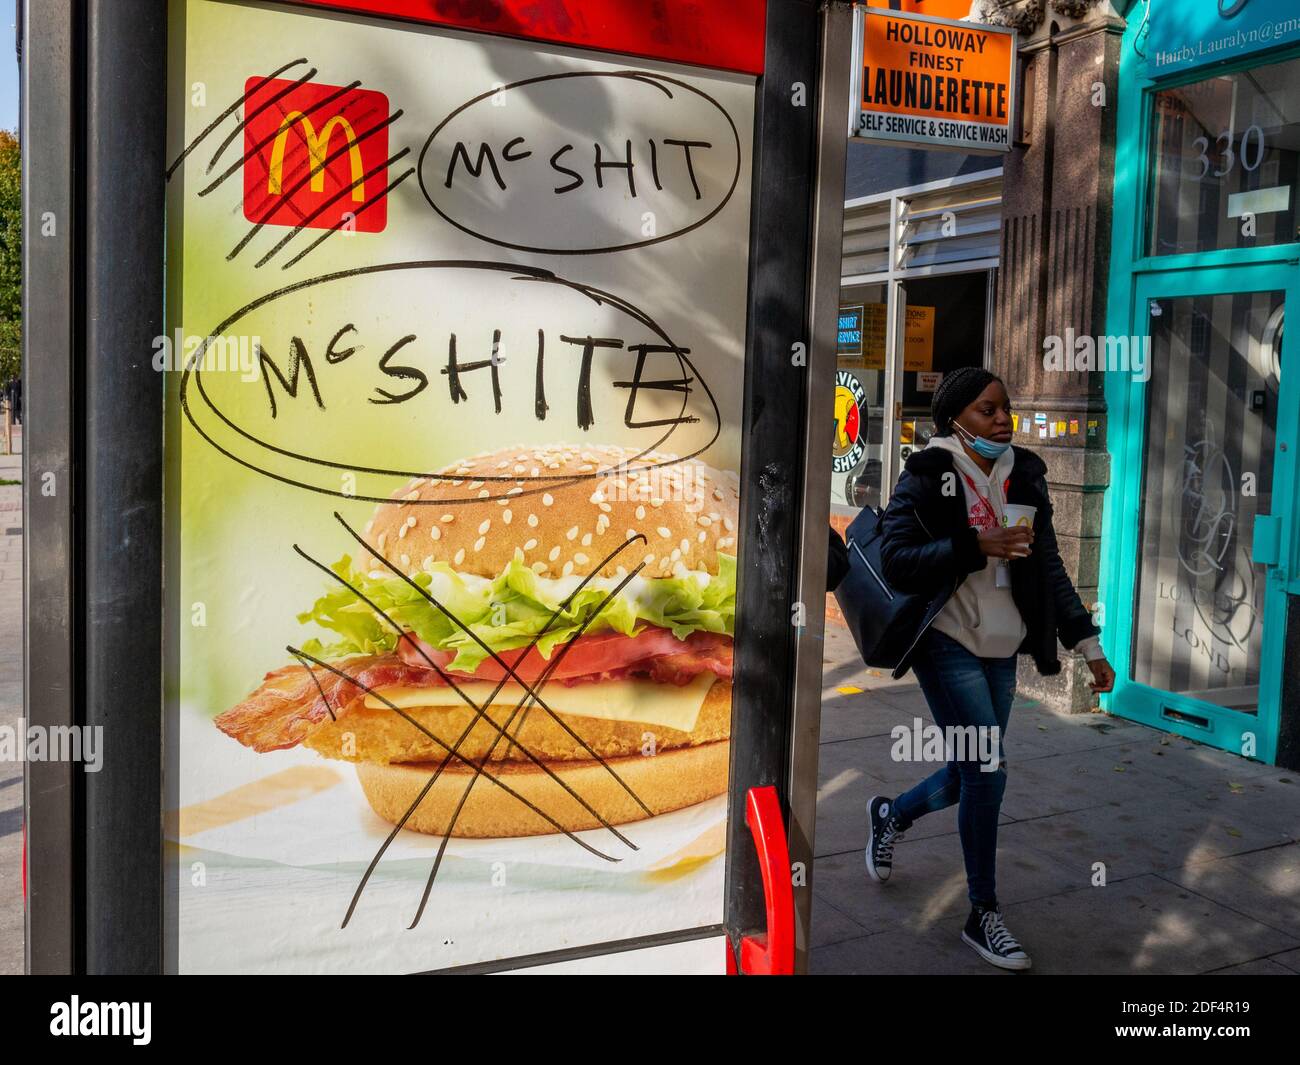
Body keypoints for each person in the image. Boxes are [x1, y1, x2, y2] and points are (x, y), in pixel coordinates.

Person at [868, 366, 1115, 971]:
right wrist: (973, 546)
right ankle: (983, 914)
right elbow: (897, 560)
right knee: (988, 770)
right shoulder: (929, 473)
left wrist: (1087, 645)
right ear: (956, 419)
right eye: (987, 409)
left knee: (972, 773)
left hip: (1003, 643)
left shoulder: (1025, 472)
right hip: (947, 638)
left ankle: (890, 815)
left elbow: (1050, 565)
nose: (1003, 419)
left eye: (1006, 409)